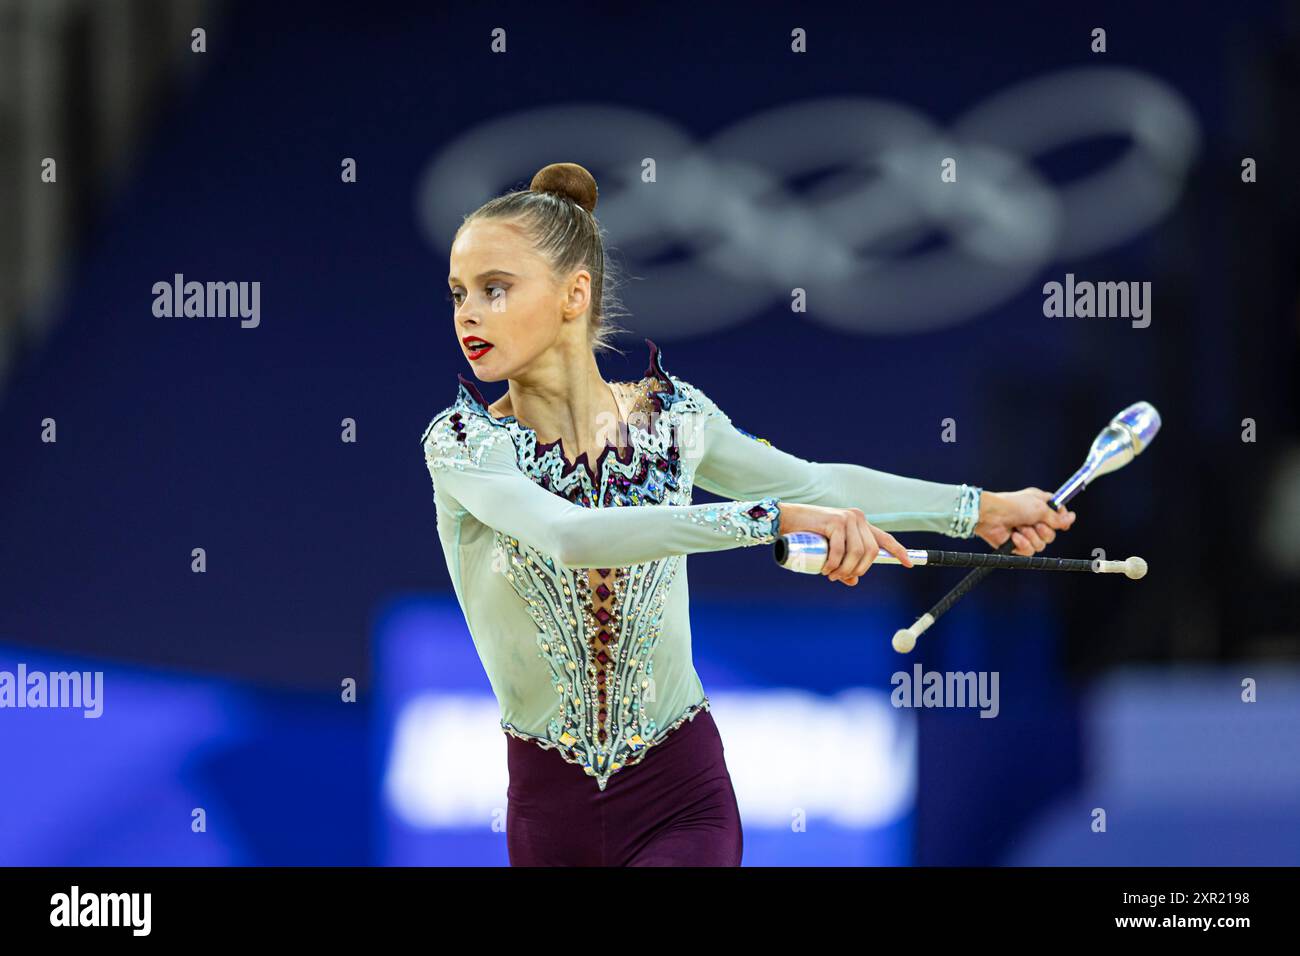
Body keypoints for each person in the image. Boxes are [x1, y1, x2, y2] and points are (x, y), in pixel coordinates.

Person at [422, 162, 1076, 866]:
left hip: (681, 792)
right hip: (550, 816)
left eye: (495, 290)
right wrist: (765, 520)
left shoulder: (673, 417)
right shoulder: (464, 445)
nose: (468, 313)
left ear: (573, 293)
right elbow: (569, 535)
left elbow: (817, 482)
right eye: (459, 293)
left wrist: (976, 509)